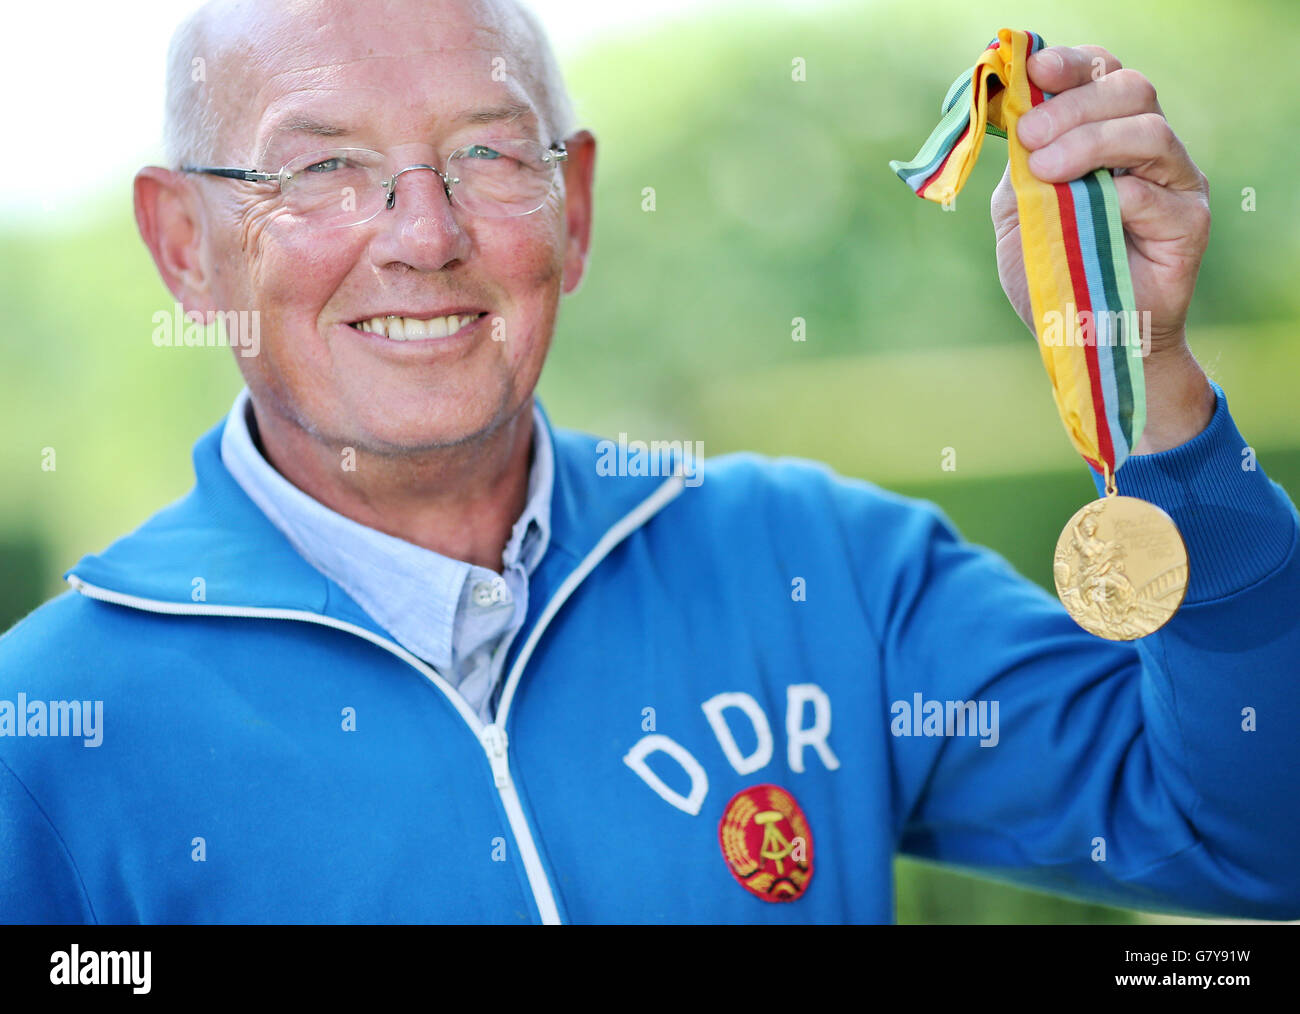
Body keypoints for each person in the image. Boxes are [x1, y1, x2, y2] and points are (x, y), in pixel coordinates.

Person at [0, 0, 1296, 924]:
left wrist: (1146, 387)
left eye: (488, 155)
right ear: (185, 244)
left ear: (575, 207)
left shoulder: (827, 570)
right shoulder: (42, 737)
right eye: (324, 166)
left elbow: (1258, 836)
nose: (424, 233)